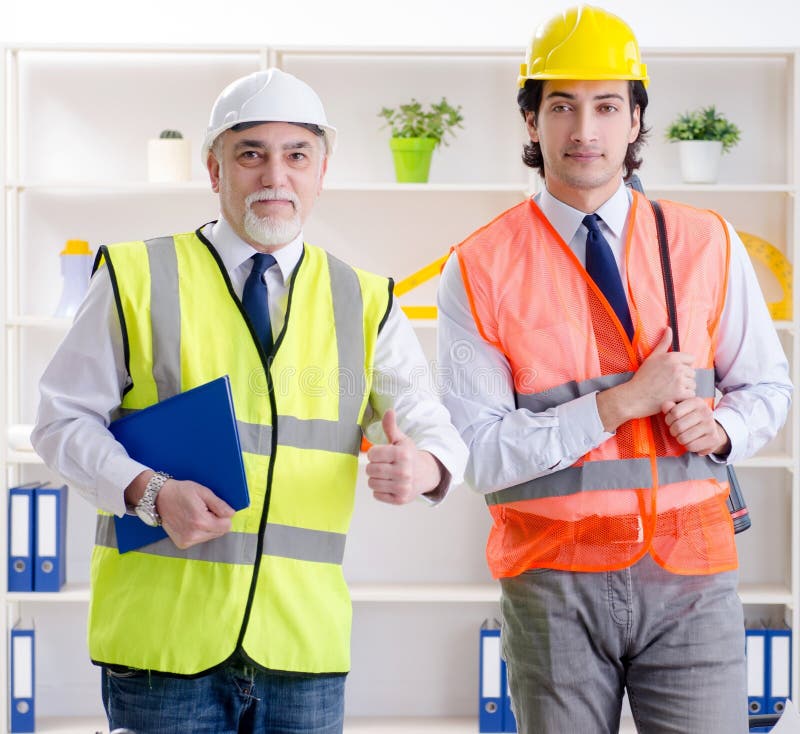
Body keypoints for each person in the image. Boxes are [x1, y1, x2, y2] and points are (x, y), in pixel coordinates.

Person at [32, 68, 467, 734]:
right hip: (162, 648)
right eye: (250, 154)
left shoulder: (364, 300)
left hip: (302, 651)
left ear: (322, 171)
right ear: (214, 168)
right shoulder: (136, 276)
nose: (275, 175)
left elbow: (437, 431)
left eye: (297, 155)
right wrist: (147, 492)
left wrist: (425, 468)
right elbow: (60, 421)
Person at [437, 6, 792, 733]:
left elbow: (768, 388)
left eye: (606, 105)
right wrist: (617, 405)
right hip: (552, 584)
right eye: (561, 106)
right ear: (531, 122)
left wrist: (720, 428)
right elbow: (480, 454)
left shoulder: (707, 243)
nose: (584, 130)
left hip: (692, 580)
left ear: (635, 120)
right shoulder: (478, 266)